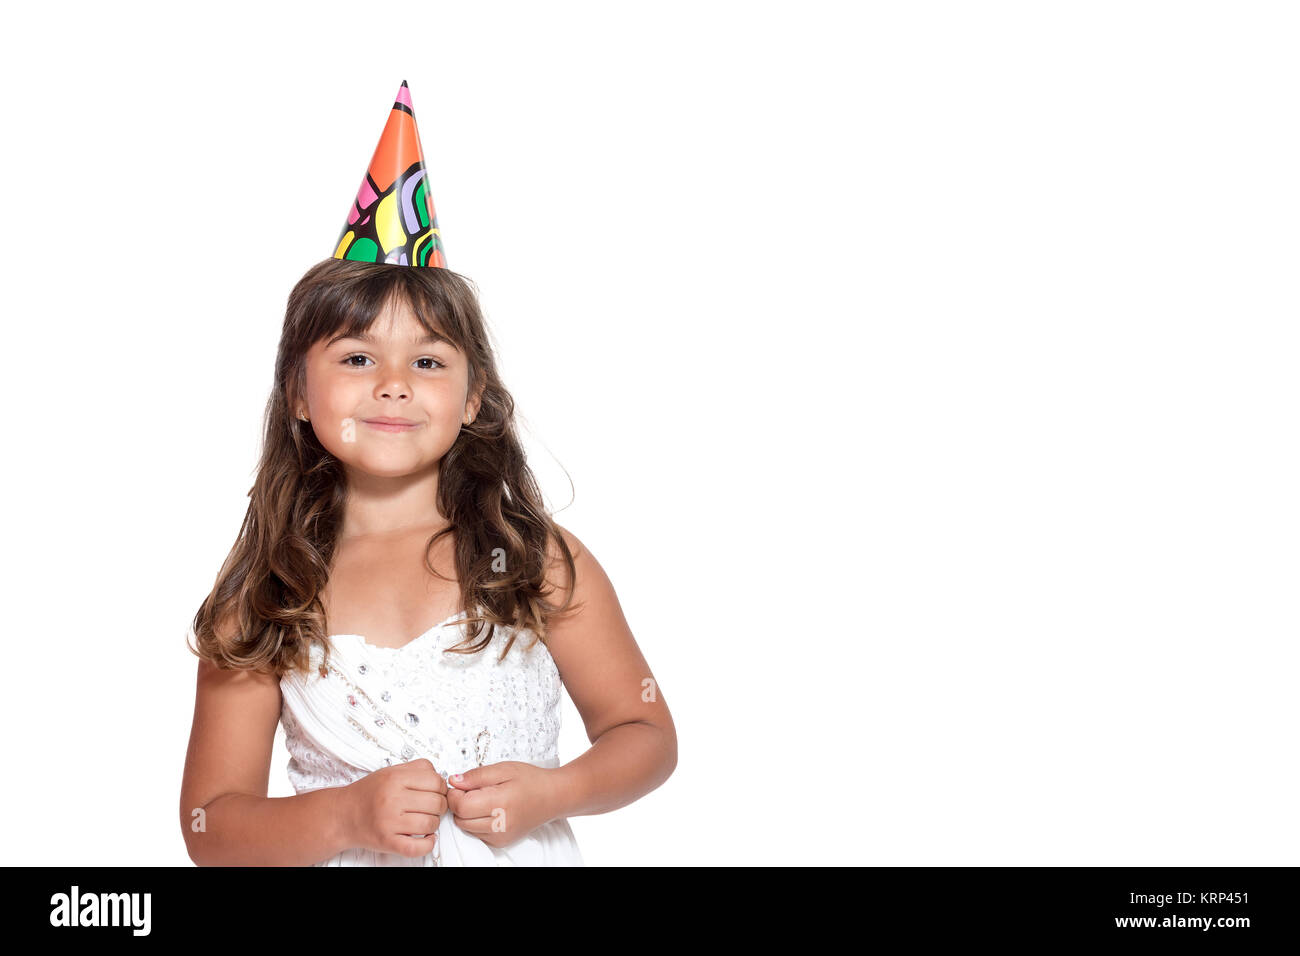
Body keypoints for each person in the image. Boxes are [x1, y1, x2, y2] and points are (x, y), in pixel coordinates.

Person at [178, 82, 676, 866]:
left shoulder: (536, 560)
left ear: (472, 395)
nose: (393, 382)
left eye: (428, 360)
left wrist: (554, 791)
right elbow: (211, 825)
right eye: (355, 357)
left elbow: (644, 734)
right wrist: (344, 817)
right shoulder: (266, 590)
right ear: (299, 394)